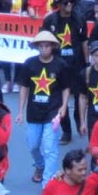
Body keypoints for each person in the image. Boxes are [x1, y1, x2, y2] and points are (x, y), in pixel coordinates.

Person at [19, 30, 68, 184]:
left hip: (52, 111)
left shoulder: (61, 65)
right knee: (33, 145)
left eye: (47, 46)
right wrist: (20, 111)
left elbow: (66, 87)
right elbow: (24, 87)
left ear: (52, 47)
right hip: (33, 112)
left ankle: (48, 183)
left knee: (50, 148)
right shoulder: (29, 63)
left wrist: (64, 106)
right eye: (41, 46)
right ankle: (40, 165)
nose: (44, 49)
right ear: (37, 47)